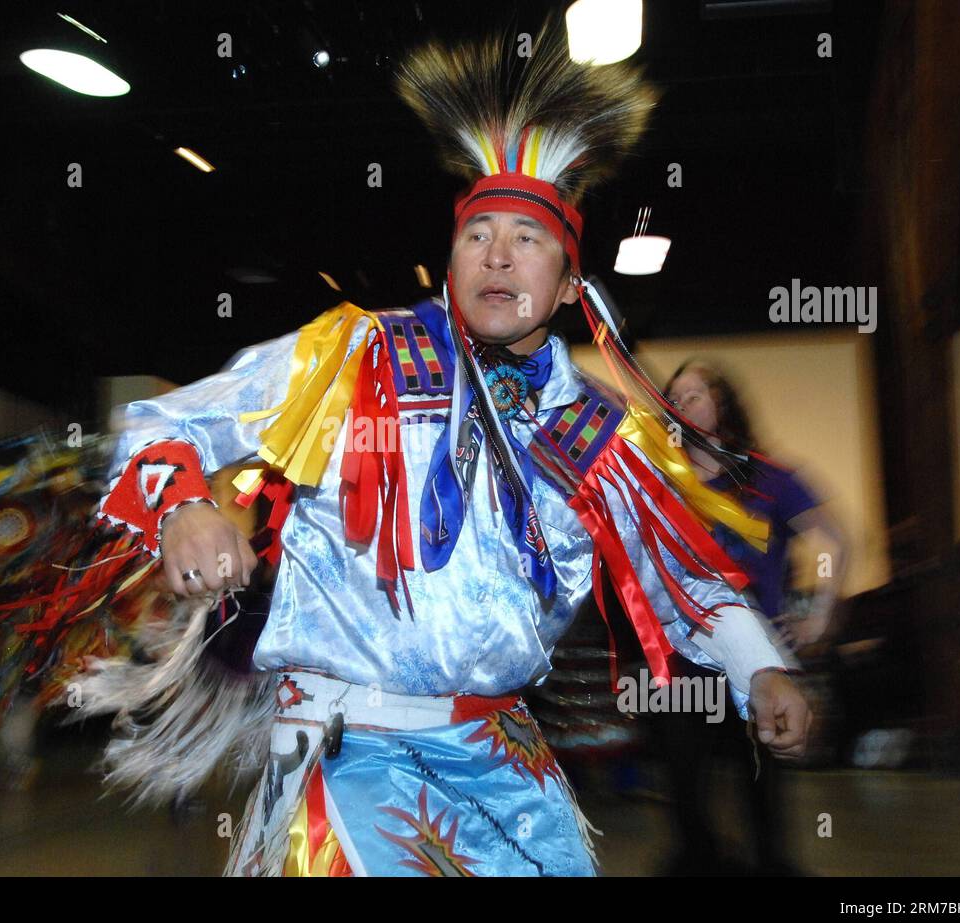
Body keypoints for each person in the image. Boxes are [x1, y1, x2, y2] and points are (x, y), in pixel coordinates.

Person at [65, 14, 811, 877]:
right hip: (345, 747)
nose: (497, 255)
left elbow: (681, 581)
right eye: (476, 235)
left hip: (500, 756)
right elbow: (163, 424)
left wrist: (762, 671)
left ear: (570, 284)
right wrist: (187, 505)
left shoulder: (598, 433)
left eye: (527, 239)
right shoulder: (355, 356)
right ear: (451, 257)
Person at [647, 359, 849, 874]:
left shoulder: (766, 478)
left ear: (723, 405)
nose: (684, 404)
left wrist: (821, 616)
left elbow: (839, 540)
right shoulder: (660, 483)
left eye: (695, 394)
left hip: (757, 655)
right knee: (684, 785)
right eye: (676, 396)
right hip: (683, 657)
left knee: (762, 790)